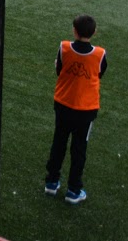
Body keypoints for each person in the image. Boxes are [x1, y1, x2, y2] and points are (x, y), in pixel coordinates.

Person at [44, 14, 107, 205]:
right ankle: (73, 190)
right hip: (86, 110)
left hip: (63, 104)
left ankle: (51, 182)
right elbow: (100, 73)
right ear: (94, 32)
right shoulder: (100, 54)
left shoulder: (64, 48)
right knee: (79, 149)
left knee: (59, 143)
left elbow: (59, 70)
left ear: (74, 31)